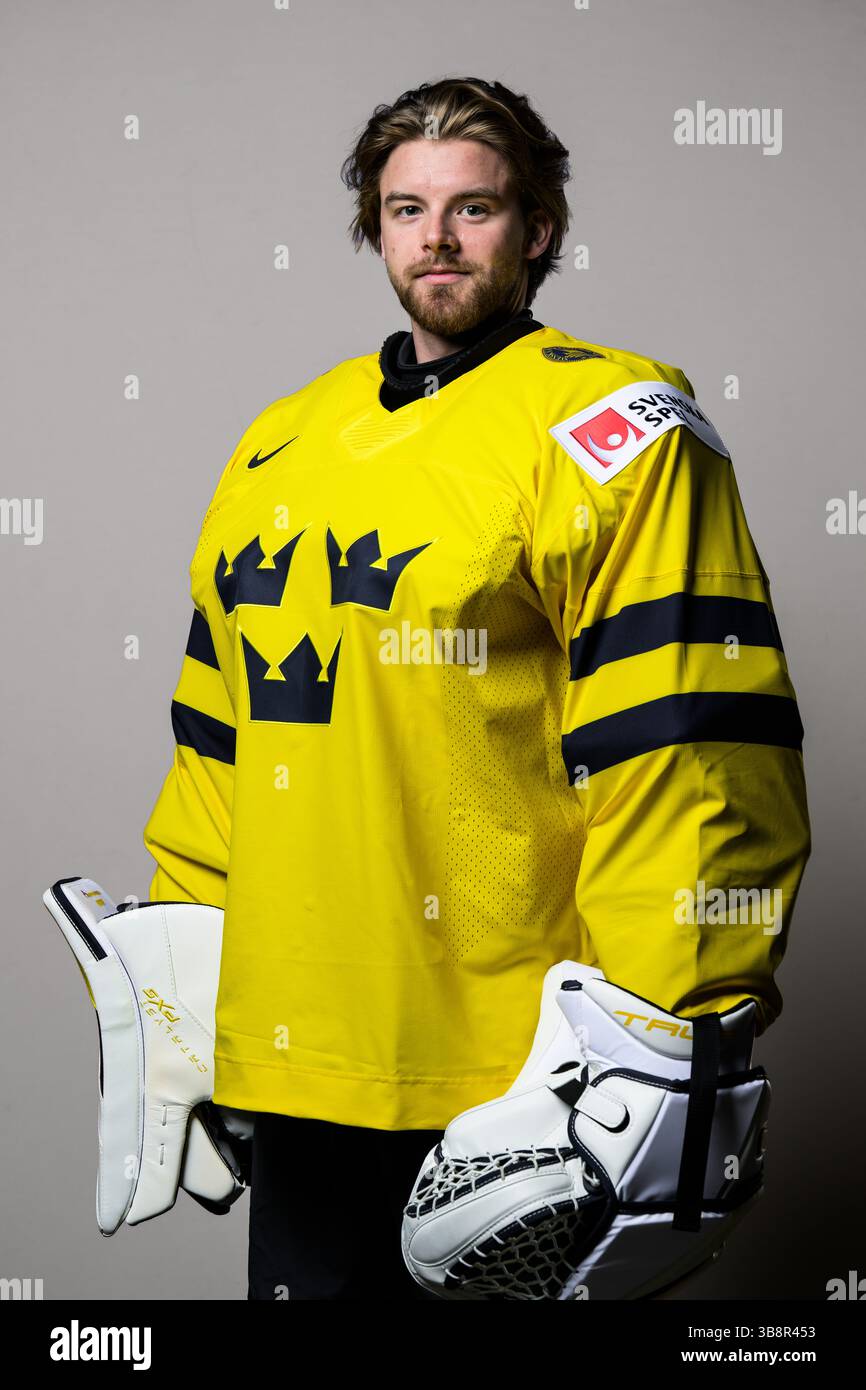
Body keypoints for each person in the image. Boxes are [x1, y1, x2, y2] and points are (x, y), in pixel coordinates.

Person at [142, 76, 811, 1301]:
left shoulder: (614, 424)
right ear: (372, 226)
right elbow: (218, 737)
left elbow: (690, 747)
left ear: (538, 228)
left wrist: (667, 1034)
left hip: (512, 1087)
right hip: (292, 1060)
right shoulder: (277, 439)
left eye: (474, 208)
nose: (435, 239)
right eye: (405, 208)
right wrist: (180, 977)